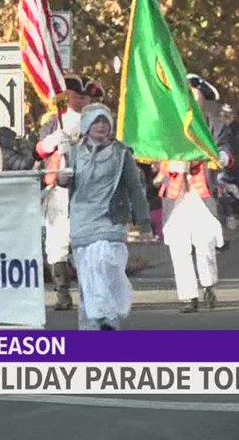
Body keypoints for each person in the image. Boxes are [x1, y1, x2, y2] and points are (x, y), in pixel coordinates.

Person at [55, 104, 151, 331]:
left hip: (111, 222)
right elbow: (59, 182)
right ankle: (95, 329)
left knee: (105, 262)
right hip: (82, 224)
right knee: (88, 278)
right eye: (96, 122)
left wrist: (144, 221)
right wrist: (62, 177)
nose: (101, 126)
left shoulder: (121, 154)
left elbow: (134, 189)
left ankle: (105, 316)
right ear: (87, 125)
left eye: (105, 122)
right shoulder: (73, 153)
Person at [154, 75, 235, 313]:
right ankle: (188, 296)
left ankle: (208, 285)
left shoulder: (214, 126)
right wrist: (170, 165)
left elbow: (227, 153)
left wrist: (219, 158)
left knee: (205, 243)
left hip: (202, 193)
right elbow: (156, 157)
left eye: (195, 95)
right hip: (177, 193)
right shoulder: (169, 126)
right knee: (179, 247)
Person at [34, 75, 95, 311]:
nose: (79, 100)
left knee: (83, 242)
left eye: (83, 96)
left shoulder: (93, 120)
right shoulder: (52, 122)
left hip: (84, 190)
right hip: (57, 189)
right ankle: (62, 294)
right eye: (75, 95)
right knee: (56, 243)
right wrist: (51, 142)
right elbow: (38, 150)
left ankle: (90, 292)